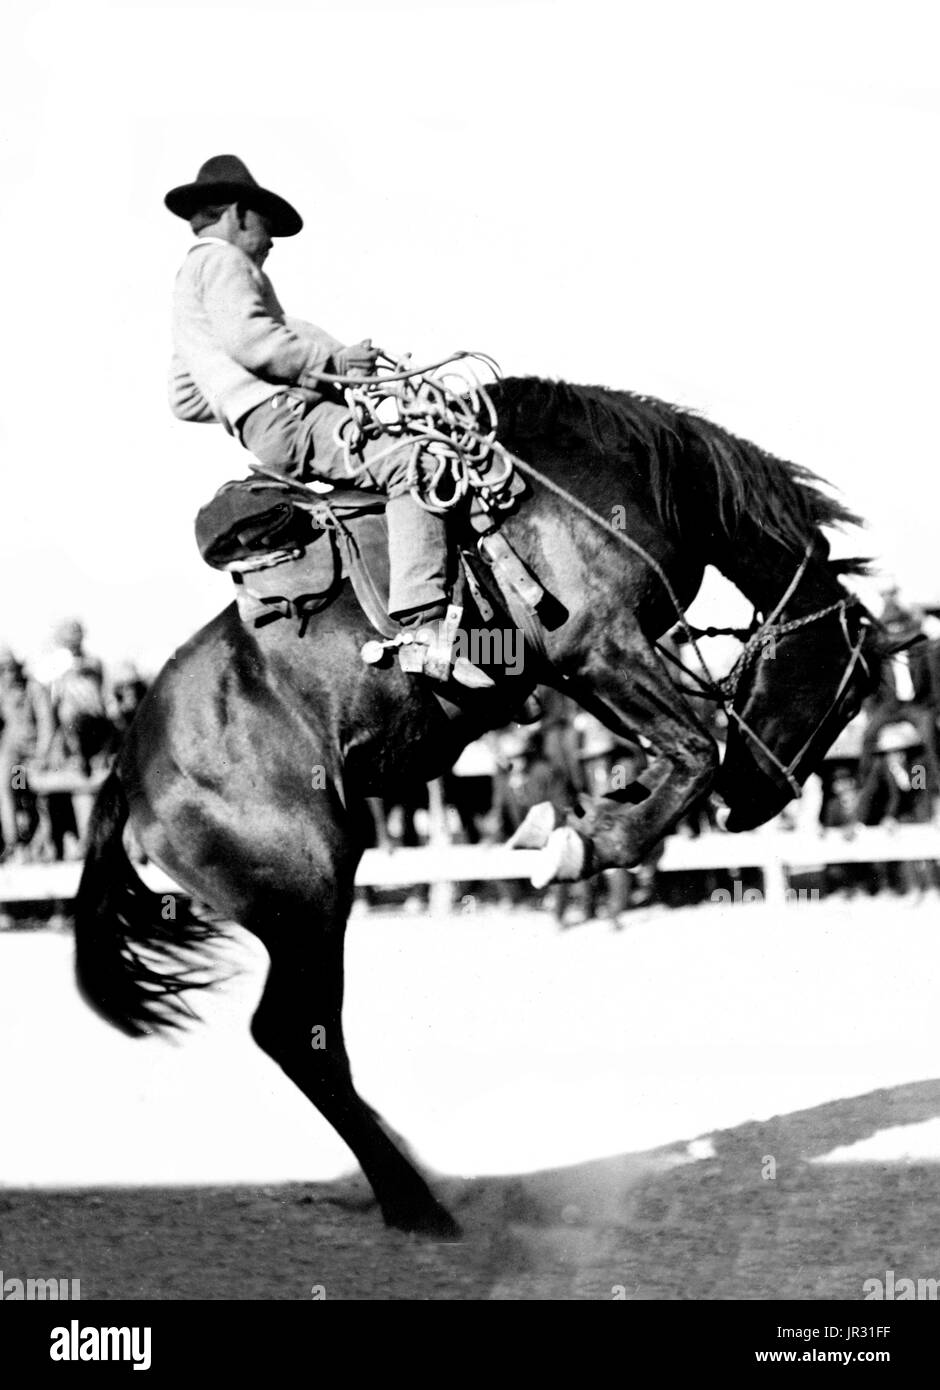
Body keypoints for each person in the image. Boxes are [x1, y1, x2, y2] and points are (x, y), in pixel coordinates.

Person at [165, 154, 486, 687]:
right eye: (266, 227)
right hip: (288, 419)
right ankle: (428, 629)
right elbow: (252, 343)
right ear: (240, 214)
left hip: (265, 427)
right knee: (417, 464)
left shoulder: (189, 282)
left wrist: (240, 402)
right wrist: (329, 366)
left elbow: (183, 396)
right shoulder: (224, 262)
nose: (270, 244)